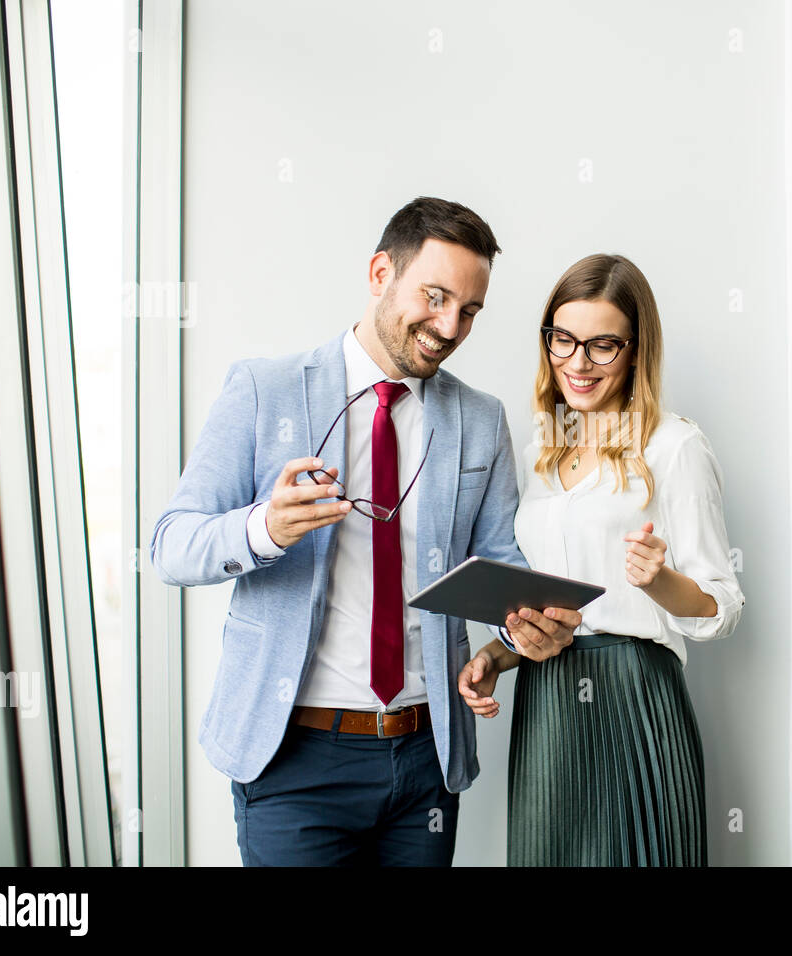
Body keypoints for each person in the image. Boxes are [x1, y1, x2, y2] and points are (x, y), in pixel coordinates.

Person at [149, 197, 580, 867]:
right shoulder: (266, 390)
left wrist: (520, 632)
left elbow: (499, 570)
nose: (449, 326)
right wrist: (265, 527)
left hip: (423, 761)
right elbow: (172, 546)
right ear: (381, 273)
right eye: (434, 297)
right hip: (293, 763)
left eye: (469, 310)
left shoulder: (480, 420)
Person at [458, 253, 745, 866]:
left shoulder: (674, 446)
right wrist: (496, 652)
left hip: (636, 697)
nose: (577, 362)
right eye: (563, 338)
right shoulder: (538, 454)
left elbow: (721, 606)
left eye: (602, 345)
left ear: (637, 350)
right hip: (548, 708)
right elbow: (546, 609)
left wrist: (661, 580)